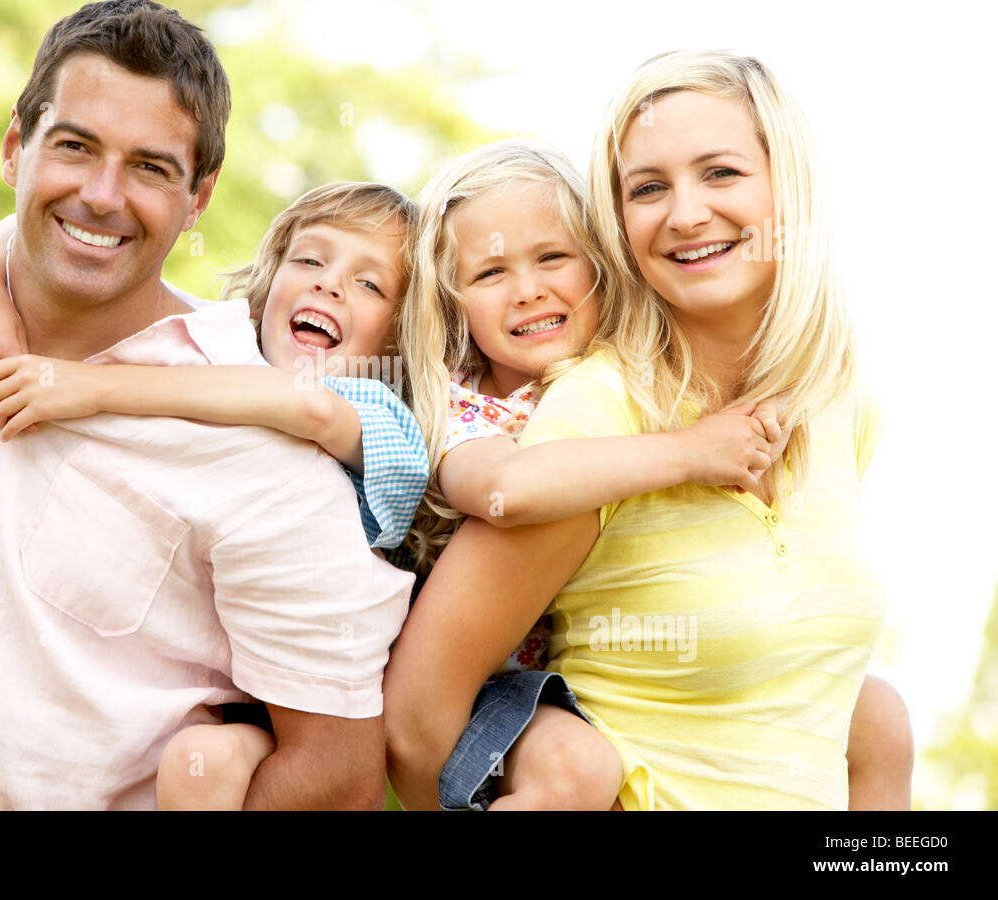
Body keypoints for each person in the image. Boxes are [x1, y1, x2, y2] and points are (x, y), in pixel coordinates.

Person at [0, 0, 414, 811]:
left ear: (199, 197)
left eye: (151, 167)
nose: (101, 194)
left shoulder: (262, 442)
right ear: (15, 147)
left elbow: (337, 778)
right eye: (75, 146)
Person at [385, 73, 912, 808]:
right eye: (648, 189)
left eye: (721, 172)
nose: (687, 214)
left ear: (787, 185)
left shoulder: (843, 403)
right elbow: (417, 720)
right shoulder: (595, 413)